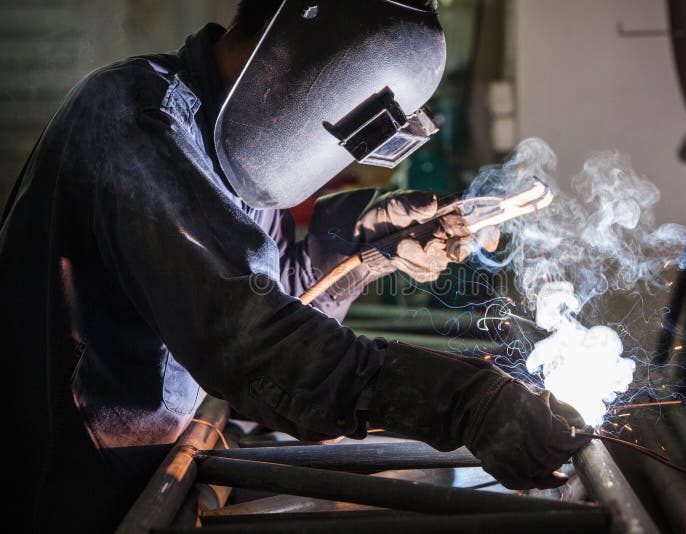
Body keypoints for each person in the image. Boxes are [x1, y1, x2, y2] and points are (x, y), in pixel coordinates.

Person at [3, 1, 590, 531]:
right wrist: (462, 401)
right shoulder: (137, 121)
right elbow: (257, 347)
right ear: (318, 57)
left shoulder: (231, 148)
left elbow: (284, 297)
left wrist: (371, 244)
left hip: (155, 474)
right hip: (68, 497)